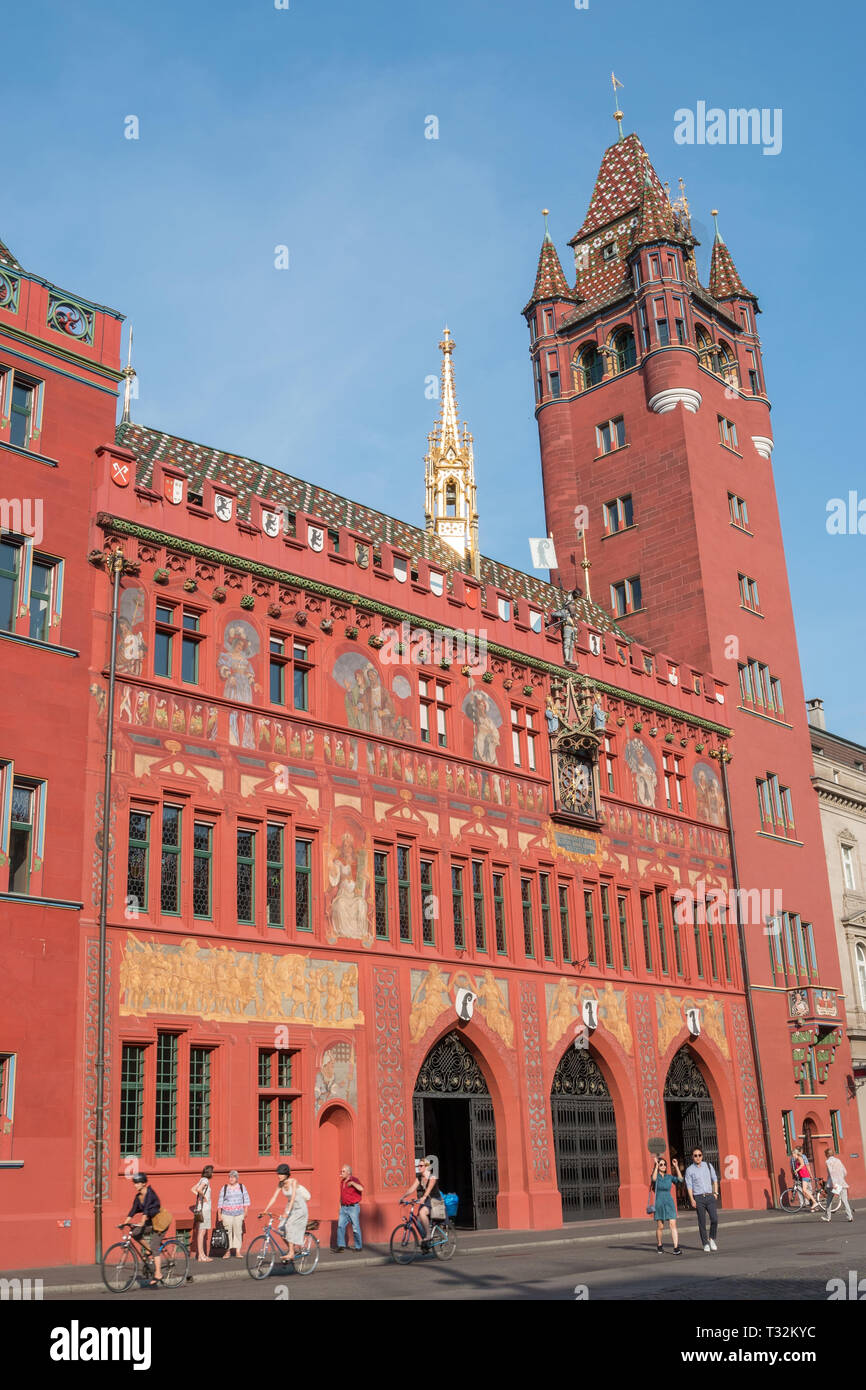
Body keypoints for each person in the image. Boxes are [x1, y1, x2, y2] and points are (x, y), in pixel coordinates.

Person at [261, 1162, 309, 1263]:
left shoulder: (293, 1182)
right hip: (290, 1208)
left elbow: (292, 1198)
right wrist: (265, 1210)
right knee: (281, 1229)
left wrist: (287, 1212)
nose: (279, 1176)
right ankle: (293, 1249)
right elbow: (274, 1197)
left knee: (289, 1225)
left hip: (299, 1208)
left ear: (286, 1174)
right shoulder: (280, 1184)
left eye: (281, 1174)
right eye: (278, 1174)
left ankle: (291, 1253)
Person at [120, 1174, 163, 1286]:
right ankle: (149, 1250)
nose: (135, 1185)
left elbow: (147, 1209)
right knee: (135, 1233)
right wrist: (124, 1223)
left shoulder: (149, 1193)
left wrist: (142, 1222)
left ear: (144, 1183)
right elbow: (132, 1211)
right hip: (151, 1221)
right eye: (134, 1183)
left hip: (160, 1220)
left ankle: (158, 1273)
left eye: (138, 1182)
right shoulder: (138, 1197)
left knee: (155, 1246)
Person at [684, 1146, 720, 1253]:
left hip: (710, 1196)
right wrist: (692, 1199)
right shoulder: (689, 1170)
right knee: (702, 1221)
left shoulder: (708, 1166)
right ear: (692, 1157)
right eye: (695, 1156)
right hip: (699, 1197)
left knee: (714, 1219)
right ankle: (705, 1243)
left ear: (702, 1156)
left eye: (699, 1155)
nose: (698, 1157)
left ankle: (712, 1238)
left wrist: (716, 1193)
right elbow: (689, 1186)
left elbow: (715, 1179)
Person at [650, 1156, 684, 1256]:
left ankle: (676, 1248)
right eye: (661, 1164)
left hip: (669, 1202)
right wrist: (656, 1166)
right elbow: (653, 1179)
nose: (663, 1166)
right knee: (660, 1226)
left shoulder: (669, 1177)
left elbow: (681, 1180)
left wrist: (676, 1167)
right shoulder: (655, 1176)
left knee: (673, 1224)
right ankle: (659, 1245)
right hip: (659, 1203)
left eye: (665, 1164)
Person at [402, 1157, 440, 1246]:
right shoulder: (419, 1177)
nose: (419, 1167)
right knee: (418, 1218)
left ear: (427, 1167)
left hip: (435, 1200)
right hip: (427, 1200)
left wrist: (423, 1197)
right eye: (418, 1166)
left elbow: (429, 1189)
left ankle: (428, 1235)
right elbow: (412, 1188)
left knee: (422, 1212)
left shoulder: (432, 1176)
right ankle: (426, 1241)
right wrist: (403, 1197)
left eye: (421, 1166)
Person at [218, 1169, 251, 1256]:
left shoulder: (241, 1187)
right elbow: (220, 1201)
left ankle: (237, 1251)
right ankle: (227, 1251)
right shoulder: (224, 1188)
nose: (231, 1179)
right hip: (226, 1214)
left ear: (237, 1178)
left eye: (234, 1177)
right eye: (230, 1177)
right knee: (227, 1232)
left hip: (239, 1213)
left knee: (238, 1232)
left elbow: (246, 1198)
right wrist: (219, 1214)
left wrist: (246, 1210)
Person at [821, 1147, 854, 1223]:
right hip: (842, 1183)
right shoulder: (838, 1160)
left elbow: (831, 1173)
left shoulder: (828, 1162)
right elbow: (845, 1172)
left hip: (833, 1184)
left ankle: (827, 1216)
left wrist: (834, 1183)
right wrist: (841, 1178)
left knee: (829, 1200)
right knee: (845, 1201)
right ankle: (850, 1216)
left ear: (827, 1154)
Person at [335, 1164, 364, 1253]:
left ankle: (358, 1247)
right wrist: (340, 1206)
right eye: (341, 1171)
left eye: (343, 1171)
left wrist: (353, 1184)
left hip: (353, 1208)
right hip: (344, 1208)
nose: (341, 1173)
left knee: (355, 1227)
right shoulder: (342, 1182)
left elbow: (361, 1188)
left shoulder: (354, 1180)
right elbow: (342, 1195)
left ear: (348, 1172)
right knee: (340, 1226)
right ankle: (341, 1246)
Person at [191, 1164, 214, 1262]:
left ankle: (201, 1255)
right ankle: (201, 1256)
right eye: (212, 1171)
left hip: (200, 1208)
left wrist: (199, 1197)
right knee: (202, 1232)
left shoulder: (201, 1179)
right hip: (204, 1209)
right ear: (209, 1172)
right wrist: (204, 1197)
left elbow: (192, 1189)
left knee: (201, 1232)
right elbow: (199, 1189)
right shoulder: (205, 1181)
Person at [791, 1145, 821, 1212]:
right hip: (803, 1176)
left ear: (796, 1153)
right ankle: (813, 1203)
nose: (792, 1156)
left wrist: (796, 1170)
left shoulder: (799, 1157)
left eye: (793, 1154)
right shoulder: (796, 1159)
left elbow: (802, 1165)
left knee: (805, 1190)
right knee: (804, 1192)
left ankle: (814, 1202)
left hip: (805, 1175)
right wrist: (796, 1172)